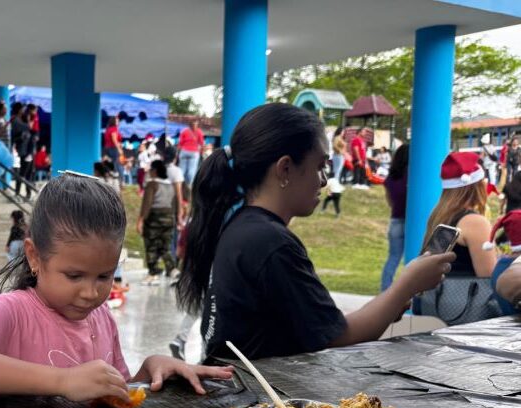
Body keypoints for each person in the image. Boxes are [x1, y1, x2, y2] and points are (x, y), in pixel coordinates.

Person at [176, 103, 453, 361]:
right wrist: (409, 284)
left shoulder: (243, 228)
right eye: (320, 166)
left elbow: (318, 321)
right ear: (285, 168)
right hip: (259, 401)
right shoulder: (269, 242)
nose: (324, 180)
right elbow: (337, 337)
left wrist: (389, 304)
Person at [0, 175, 233, 402]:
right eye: (74, 276)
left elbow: (115, 392)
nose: (91, 293)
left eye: (104, 276)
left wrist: (151, 369)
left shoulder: (101, 318)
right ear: (35, 256)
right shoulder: (11, 310)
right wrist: (62, 381)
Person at [424, 152, 497, 279]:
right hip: (466, 296)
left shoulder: (440, 214)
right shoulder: (474, 222)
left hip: (439, 296)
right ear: (477, 185)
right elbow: (489, 277)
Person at [138, 160, 178, 285]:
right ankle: (173, 269)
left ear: (155, 171)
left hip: (154, 219)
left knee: (151, 246)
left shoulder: (152, 184)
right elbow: (174, 204)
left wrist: (141, 220)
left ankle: (153, 273)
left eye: (150, 170)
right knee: (165, 247)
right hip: (169, 218)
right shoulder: (170, 185)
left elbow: (147, 203)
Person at [380, 144, 410, 291]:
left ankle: (385, 291)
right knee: (412, 259)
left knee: (393, 258)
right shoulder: (413, 176)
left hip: (395, 220)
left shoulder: (390, 178)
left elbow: (390, 202)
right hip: (412, 222)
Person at [177, 120, 205, 192]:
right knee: (191, 171)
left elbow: (180, 143)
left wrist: (178, 153)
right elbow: (202, 143)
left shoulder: (184, 131)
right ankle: (189, 187)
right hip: (194, 152)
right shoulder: (199, 132)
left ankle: (179, 186)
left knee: (182, 171)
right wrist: (201, 153)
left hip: (184, 151)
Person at [103, 116, 124, 184]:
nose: (118, 122)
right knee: (118, 164)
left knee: (110, 164)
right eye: (117, 120)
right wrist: (119, 149)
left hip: (107, 148)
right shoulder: (114, 129)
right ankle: (121, 181)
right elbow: (114, 140)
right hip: (113, 148)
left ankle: (109, 180)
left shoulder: (108, 129)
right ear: (114, 121)